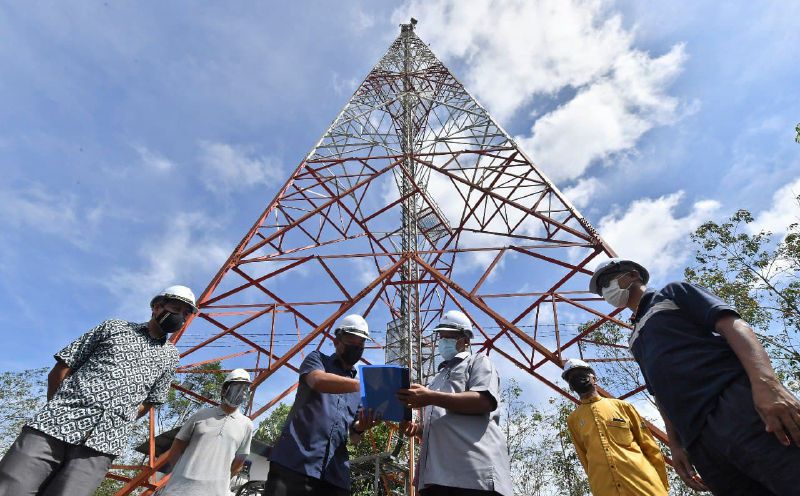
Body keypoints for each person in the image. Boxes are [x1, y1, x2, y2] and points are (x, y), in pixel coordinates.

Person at [591, 257, 800, 495]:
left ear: (633, 275)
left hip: (733, 406)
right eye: (601, 290)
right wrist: (676, 445)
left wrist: (767, 384)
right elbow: (659, 392)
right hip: (698, 440)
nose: (605, 291)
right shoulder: (634, 338)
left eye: (607, 282)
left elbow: (733, 326)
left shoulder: (671, 293)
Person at [0, 285, 196, 496]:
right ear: (157, 307)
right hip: (53, 427)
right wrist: (58, 410)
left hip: (102, 445)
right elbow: (63, 367)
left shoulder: (170, 357)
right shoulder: (115, 327)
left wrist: (119, 418)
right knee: (11, 487)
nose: (180, 316)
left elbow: (150, 401)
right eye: (176, 309)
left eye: (186, 313)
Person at [396, 310, 513, 496]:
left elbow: (484, 401)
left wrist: (430, 396)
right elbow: (445, 421)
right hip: (438, 478)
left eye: (448, 336)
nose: (442, 341)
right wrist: (418, 429)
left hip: (472, 475)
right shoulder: (436, 380)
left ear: (465, 340)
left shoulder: (478, 361)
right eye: (441, 336)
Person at [265, 314, 380, 496]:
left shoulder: (358, 390)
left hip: (335, 476)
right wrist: (365, 385)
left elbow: (354, 438)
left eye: (360, 345)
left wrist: (362, 427)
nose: (356, 348)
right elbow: (317, 380)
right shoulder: (317, 359)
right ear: (337, 341)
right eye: (351, 342)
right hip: (294, 464)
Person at [562, 358, 668, 495]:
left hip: (644, 486)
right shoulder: (573, 420)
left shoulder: (622, 407)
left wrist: (662, 486)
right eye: (572, 378)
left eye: (582, 374)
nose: (578, 379)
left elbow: (650, 447)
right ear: (571, 386)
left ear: (594, 378)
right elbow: (585, 460)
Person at [160, 368, 254, 496]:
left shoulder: (247, 425)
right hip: (179, 490)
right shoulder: (201, 415)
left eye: (244, 389)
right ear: (224, 390)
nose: (241, 393)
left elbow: (238, 464)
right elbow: (176, 449)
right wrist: (183, 474)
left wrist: (216, 483)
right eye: (237, 388)